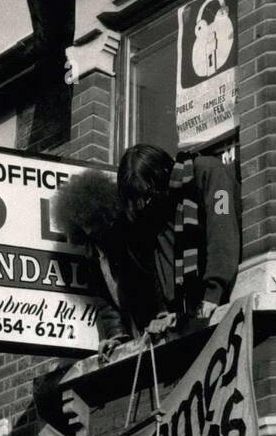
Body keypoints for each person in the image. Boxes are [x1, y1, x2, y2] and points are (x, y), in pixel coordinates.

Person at [54, 143, 241, 362]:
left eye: (147, 194)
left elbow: (222, 235)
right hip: (183, 321)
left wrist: (212, 293)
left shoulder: (205, 171)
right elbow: (152, 278)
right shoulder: (147, 217)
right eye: (138, 199)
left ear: (161, 174)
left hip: (213, 309)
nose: (143, 204)